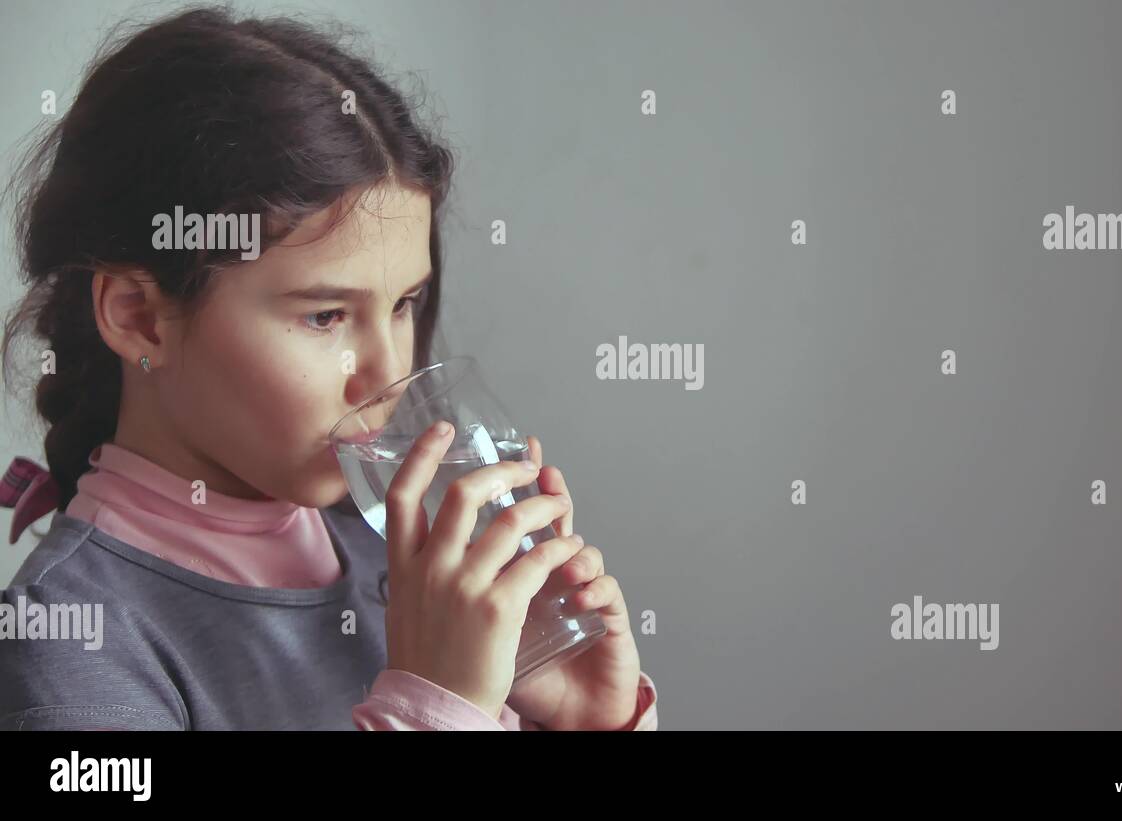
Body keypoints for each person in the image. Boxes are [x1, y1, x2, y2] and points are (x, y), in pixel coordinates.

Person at [0, 5, 657, 731]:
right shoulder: (66, 646)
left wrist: (587, 722)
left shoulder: (406, 567)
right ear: (139, 316)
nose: (384, 372)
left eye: (405, 302)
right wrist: (435, 705)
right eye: (324, 316)